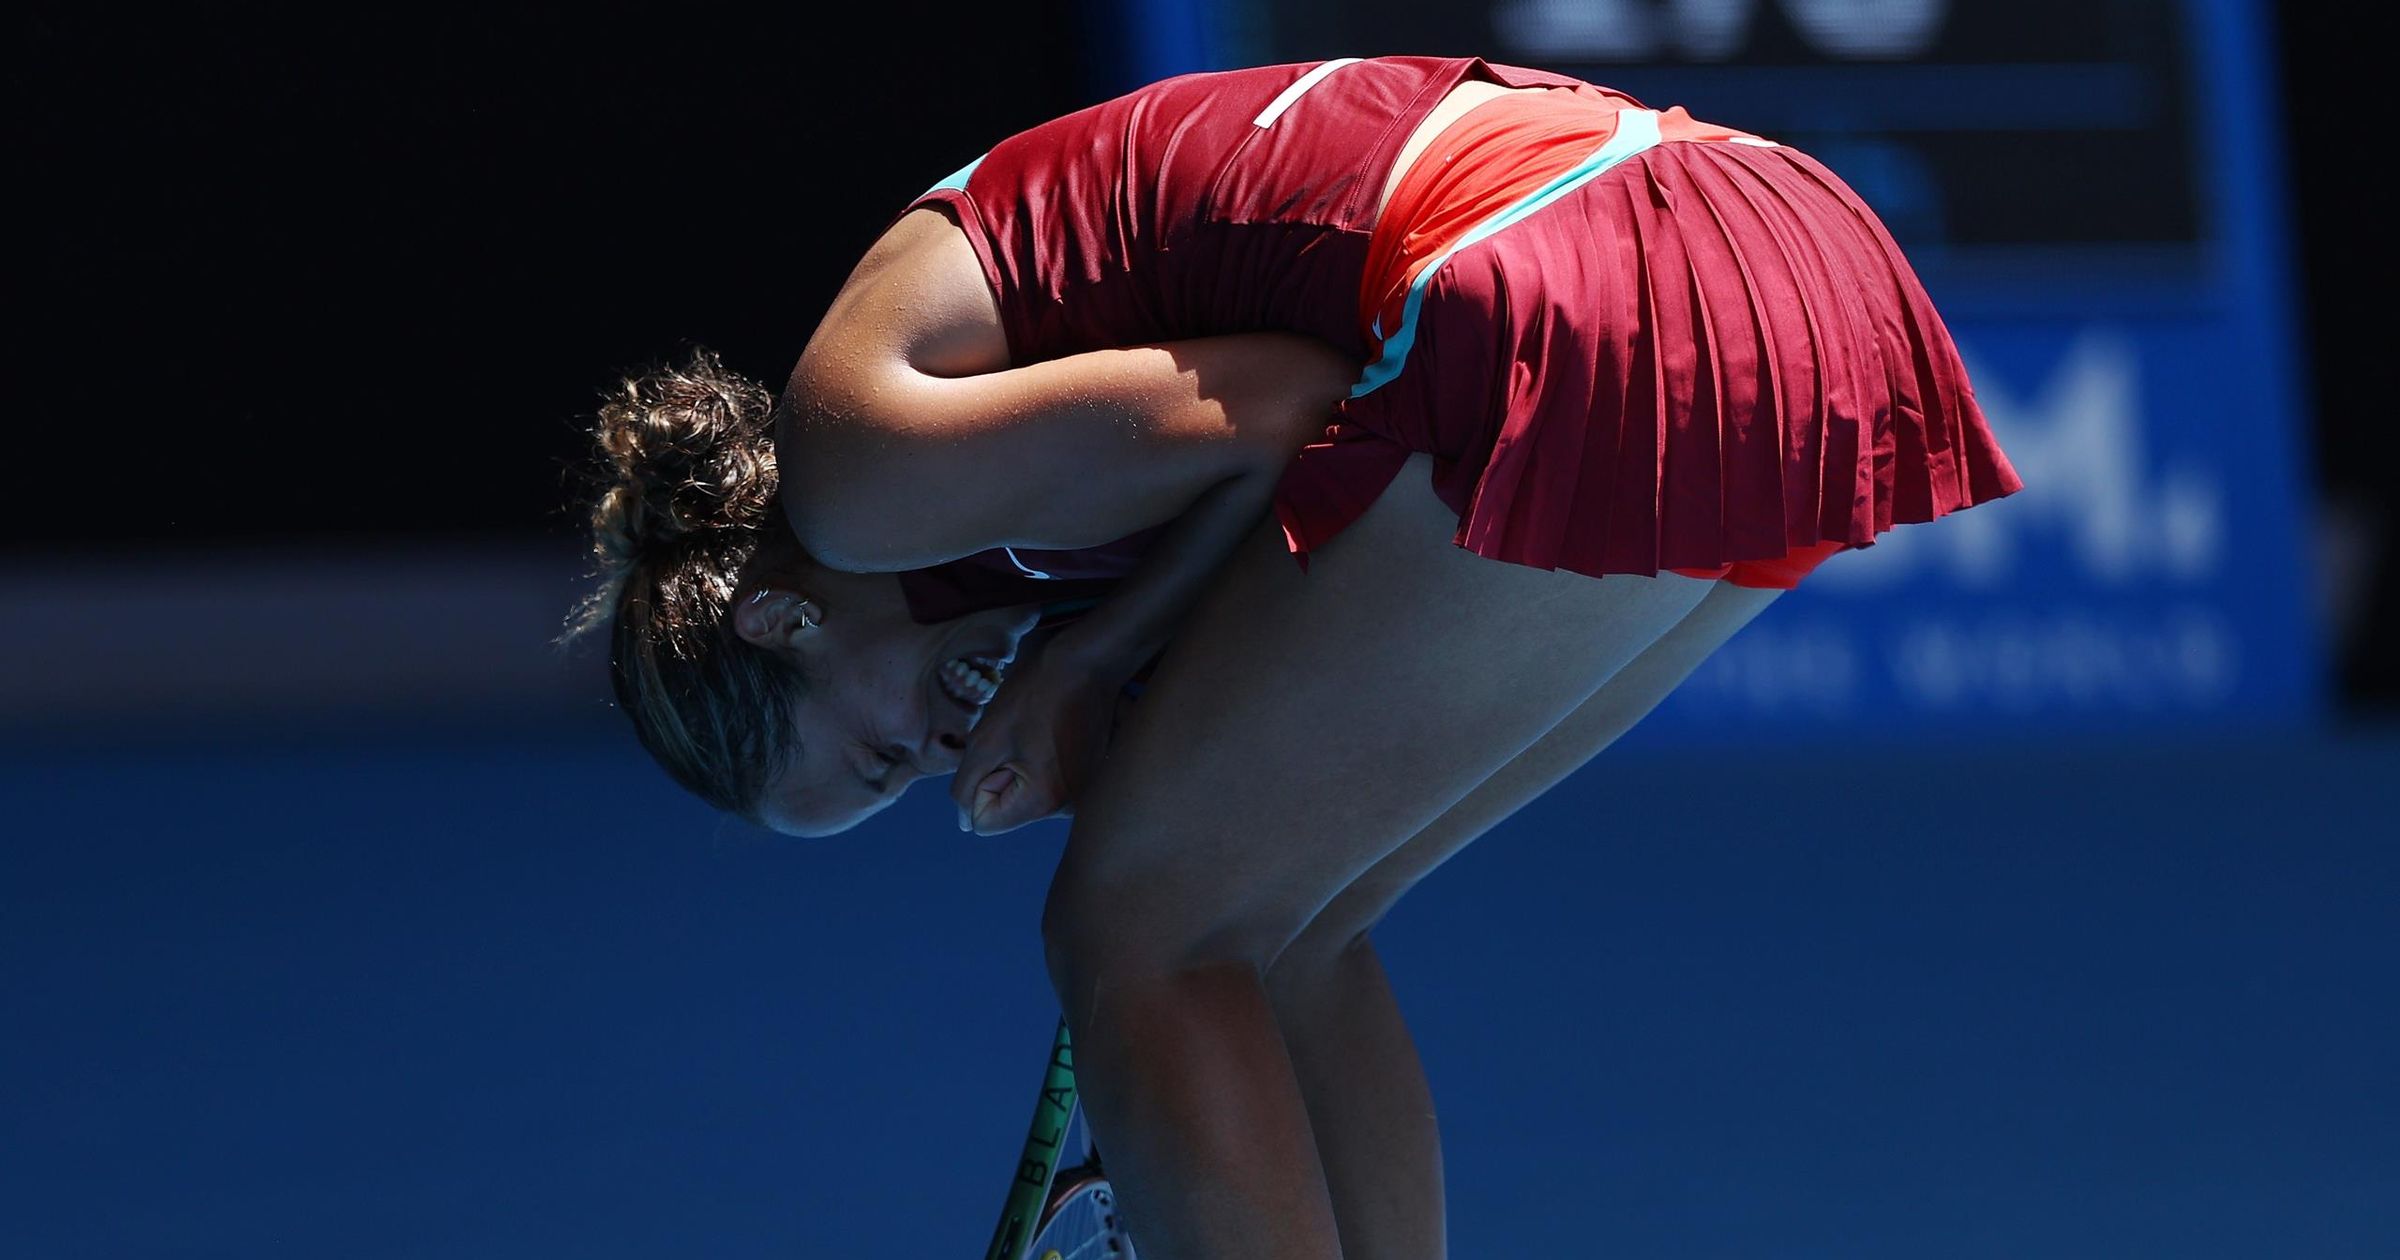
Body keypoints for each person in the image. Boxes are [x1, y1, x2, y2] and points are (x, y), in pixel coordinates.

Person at [562, 55, 2018, 1259]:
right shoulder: (997, 525)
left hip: (1611, 266)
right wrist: (1115, 661)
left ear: (783, 619)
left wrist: (1096, 664)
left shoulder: (856, 482)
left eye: (878, 756)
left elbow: (1295, 409)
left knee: (1132, 925)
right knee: (1291, 924)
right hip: (1799, 275)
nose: (937, 761)